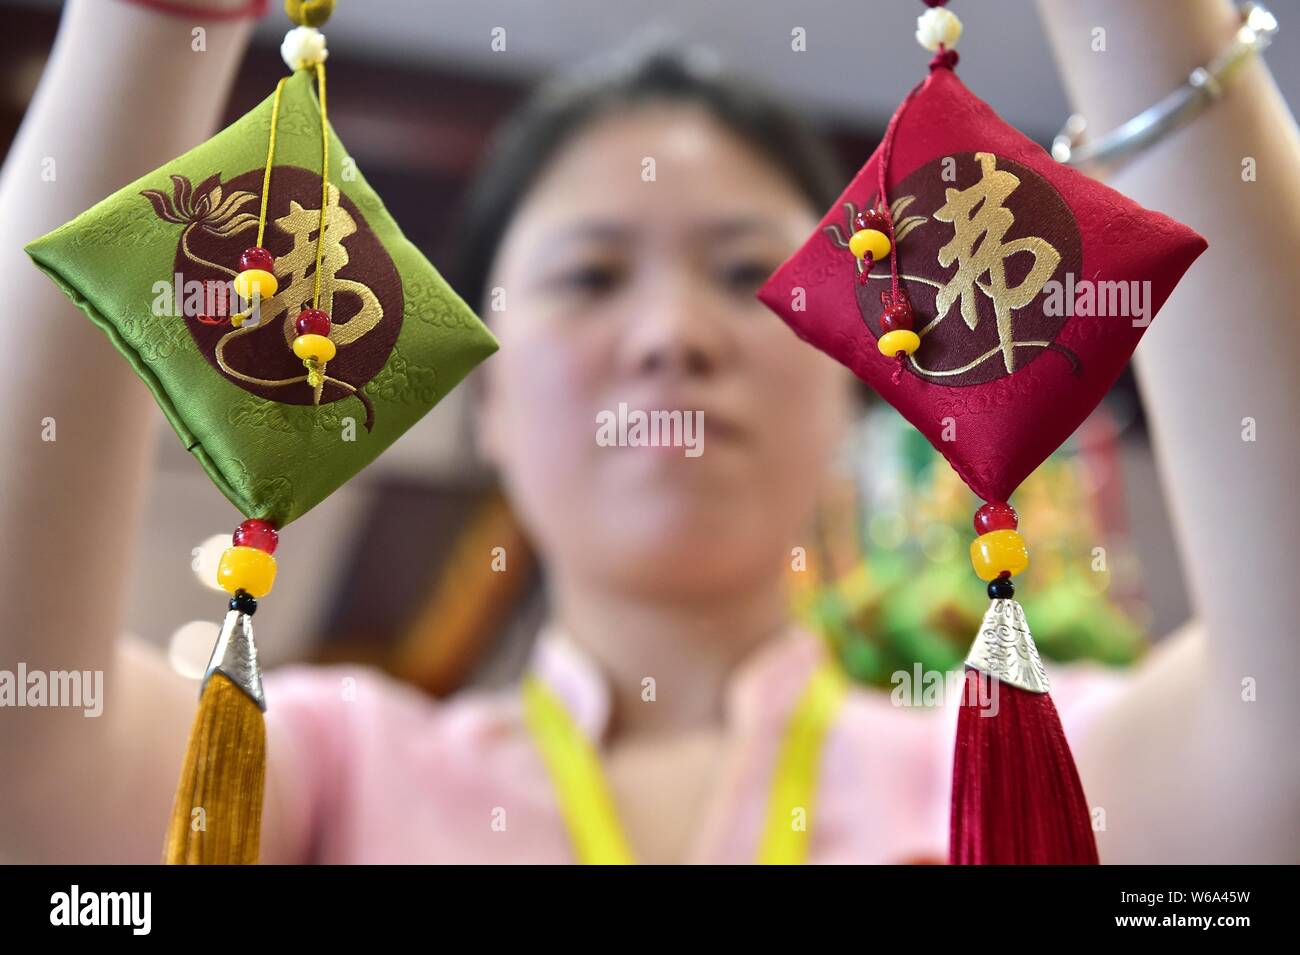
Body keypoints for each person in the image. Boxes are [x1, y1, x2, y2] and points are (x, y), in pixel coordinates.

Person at [1, 0, 1296, 864]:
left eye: (744, 274)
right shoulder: (327, 768)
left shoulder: (1035, 774)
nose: (674, 337)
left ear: (855, 373)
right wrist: (149, 30)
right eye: (590, 276)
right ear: (487, 402)